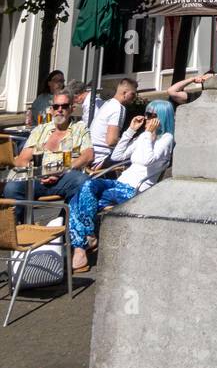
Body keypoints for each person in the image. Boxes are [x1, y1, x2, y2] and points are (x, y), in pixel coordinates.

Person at [69, 100, 175, 271]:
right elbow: (117, 155)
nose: (147, 119)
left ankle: (83, 242)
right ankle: (83, 245)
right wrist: (131, 130)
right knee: (78, 196)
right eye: (146, 115)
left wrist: (149, 134)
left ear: (162, 118)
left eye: (152, 116)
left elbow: (145, 160)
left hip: (136, 190)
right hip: (120, 184)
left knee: (85, 191)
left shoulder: (167, 139)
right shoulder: (144, 136)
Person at [5, 91, 94, 222]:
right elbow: (22, 160)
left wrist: (62, 170)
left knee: (82, 181)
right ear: (51, 110)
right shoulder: (40, 130)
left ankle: (64, 224)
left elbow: (88, 155)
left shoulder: (79, 129)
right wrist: (41, 173)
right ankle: (22, 228)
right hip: (37, 178)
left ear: (72, 109)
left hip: (65, 176)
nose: (60, 110)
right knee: (12, 188)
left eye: (64, 106)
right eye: (56, 107)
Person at [88, 77, 138, 168]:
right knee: (138, 155)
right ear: (125, 93)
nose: (135, 98)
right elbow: (111, 141)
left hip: (92, 154)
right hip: (102, 159)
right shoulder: (118, 108)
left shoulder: (108, 103)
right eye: (133, 94)